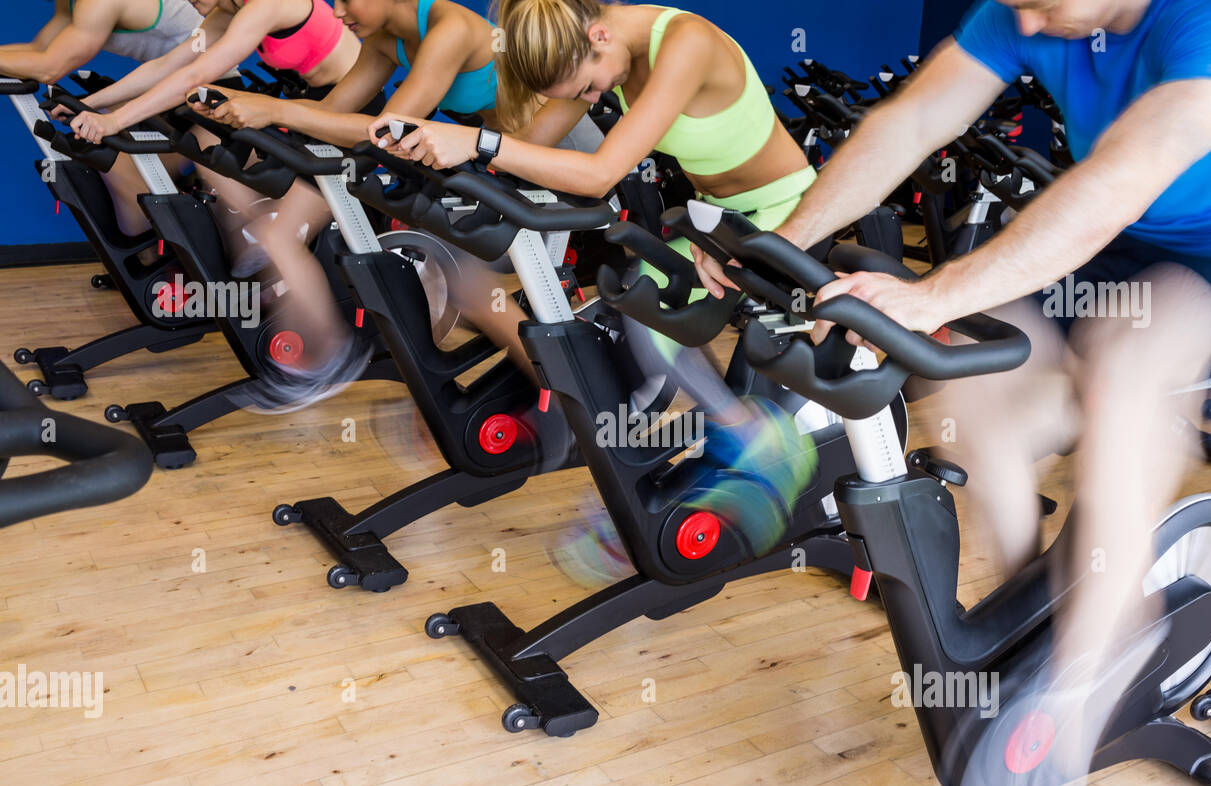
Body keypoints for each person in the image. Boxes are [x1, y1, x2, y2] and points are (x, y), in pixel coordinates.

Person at [697, 0, 1211, 786]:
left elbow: (1129, 172)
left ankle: (1081, 688)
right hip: (1128, 229)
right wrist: (784, 239)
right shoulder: (1028, 9)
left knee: (1132, 364)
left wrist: (932, 292)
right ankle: (1032, 617)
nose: (1020, 12)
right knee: (981, 369)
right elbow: (911, 121)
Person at [368, 0, 828, 580]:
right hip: (716, 221)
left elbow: (598, 172)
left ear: (601, 36)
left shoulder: (684, 41)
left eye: (587, 88)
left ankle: (754, 444)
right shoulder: (592, 49)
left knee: (650, 326)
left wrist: (478, 145)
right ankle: (653, 477)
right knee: (633, 314)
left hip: (789, 212)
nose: (591, 101)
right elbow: (526, 145)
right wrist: (445, 162)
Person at [193, 0, 601, 379]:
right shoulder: (388, 41)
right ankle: (556, 389)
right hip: (502, 155)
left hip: (552, 150)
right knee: (466, 283)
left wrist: (275, 111)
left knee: (472, 285)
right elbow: (334, 110)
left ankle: (565, 392)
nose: (337, 13)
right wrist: (240, 102)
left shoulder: (451, 28)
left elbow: (385, 129)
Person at [63, 0, 379, 410]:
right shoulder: (228, 12)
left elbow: (195, 75)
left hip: (345, 122)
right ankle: (252, 239)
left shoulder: (268, 5)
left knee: (281, 238)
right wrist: (94, 106)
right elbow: (172, 64)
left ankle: (332, 359)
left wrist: (115, 121)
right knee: (205, 140)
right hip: (309, 110)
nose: (190, 2)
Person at [0, 0, 212, 237]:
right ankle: (162, 251)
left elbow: (50, 68)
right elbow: (40, 48)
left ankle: (161, 256)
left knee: (126, 174)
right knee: (120, 167)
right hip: (166, 86)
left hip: (203, 92)